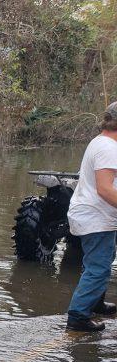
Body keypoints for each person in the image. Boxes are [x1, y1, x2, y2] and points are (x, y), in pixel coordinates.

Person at [65, 101, 117, 331]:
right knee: (98, 268)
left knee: (103, 258)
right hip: (95, 217)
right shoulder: (108, 148)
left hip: (95, 215)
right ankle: (78, 317)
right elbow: (104, 189)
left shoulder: (101, 142)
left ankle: (95, 303)